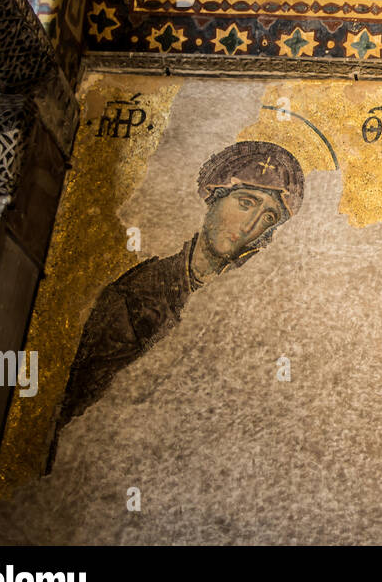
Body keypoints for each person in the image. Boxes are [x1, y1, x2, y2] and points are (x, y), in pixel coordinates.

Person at [56, 141, 304, 432]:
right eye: (245, 203)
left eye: (268, 217)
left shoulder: (248, 308)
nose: (249, 226)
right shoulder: (137, 294)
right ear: (215, 196)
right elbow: (84, 410)